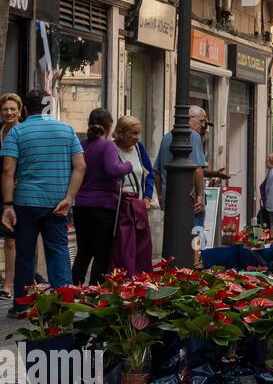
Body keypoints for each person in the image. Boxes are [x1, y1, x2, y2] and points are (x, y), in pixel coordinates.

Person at [1, 89, 86, 317]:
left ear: (25, 109)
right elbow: (80, 166)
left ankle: (23, 305)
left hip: (25, 202)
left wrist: (7, 205)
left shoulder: (18, 131)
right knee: (58, 251)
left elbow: (8, 169)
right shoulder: (67, 130)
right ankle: (63, 303)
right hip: (57, 203)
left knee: (25, 254)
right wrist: (69, 198)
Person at [71, 109, 133, 286]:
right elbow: (113, 171)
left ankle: (74, 287)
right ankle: (95, 291)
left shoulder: (82, 145)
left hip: (81, 205)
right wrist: (127, 165)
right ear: (109, 126)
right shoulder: (108, 146)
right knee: (101, 252)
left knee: (84, 251)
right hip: (103, 206)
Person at [110, 115, 153, 276]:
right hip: (120, 207)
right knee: (124, 247)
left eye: (138, 133)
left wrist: (147, 197)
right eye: (133, 133)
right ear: (120, 133)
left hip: (139, 206)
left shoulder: (139, 148)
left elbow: (149, 173)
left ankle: (140, 280)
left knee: (142, 247)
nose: (137, 137)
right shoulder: (112, 149)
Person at [157, 106, 210, 232]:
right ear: (189, 119)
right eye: (200, 121)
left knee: (174, 237)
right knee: (195, 240)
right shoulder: (193, 136)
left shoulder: (166, 137)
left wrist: (160, 196)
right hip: (189, 199)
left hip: (169, 199)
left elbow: (157, 172)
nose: (203, 125)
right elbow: (197, 169)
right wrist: (200, 195)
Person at [0, 92, 25, 300]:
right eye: (5, 109)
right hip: (1, 190)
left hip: (17, 192)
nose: (8, 112)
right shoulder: (0, 132)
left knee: (12, 239)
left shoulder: (23, 132)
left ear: (19, 111)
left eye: (12, 109)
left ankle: (9, 285)